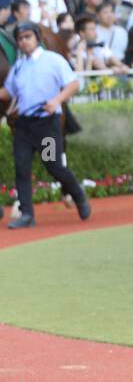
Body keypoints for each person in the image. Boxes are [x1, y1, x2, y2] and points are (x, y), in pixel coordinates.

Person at [0, 22, 92, 229]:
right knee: (21, 169)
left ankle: (78, 196)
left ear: (37, 38)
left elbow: (74, 83)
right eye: (20, 38)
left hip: (46, 125)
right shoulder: (19, 66)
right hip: (24, 126)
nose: (24, 42)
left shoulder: (54, 60)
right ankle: (27, 215)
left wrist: (57, 101)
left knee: (54, 167)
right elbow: (9, 91)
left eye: (27, 37)